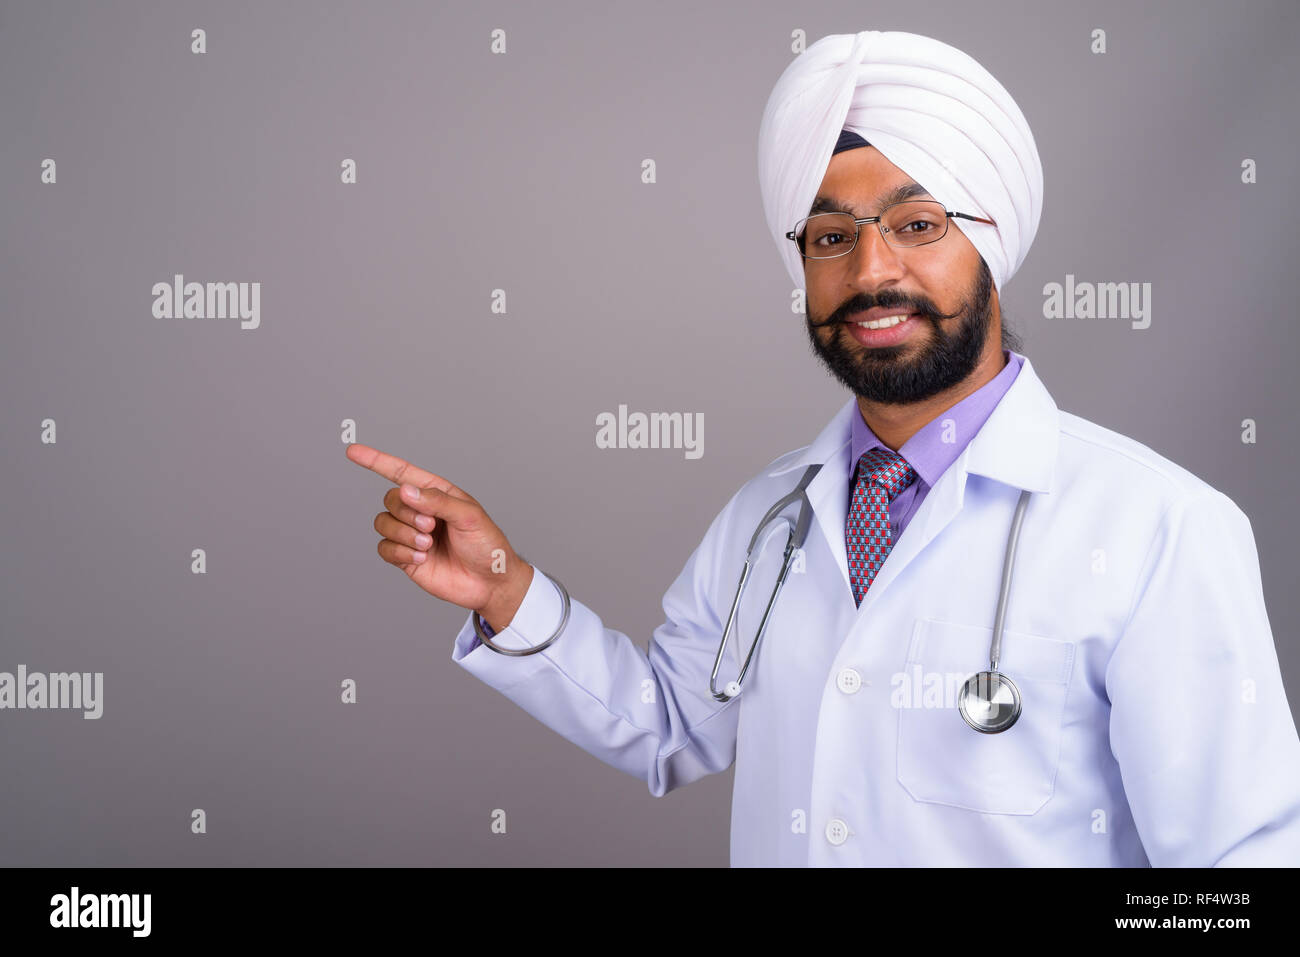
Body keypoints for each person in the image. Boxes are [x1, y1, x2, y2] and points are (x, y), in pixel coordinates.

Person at [345, 30, 1300, 866]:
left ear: (991, 243)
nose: (873, 270)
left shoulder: (1159, 528)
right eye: (832, 235)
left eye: (918, 225)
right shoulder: (770, 515)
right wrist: (506, 589)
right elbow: (668, 726)